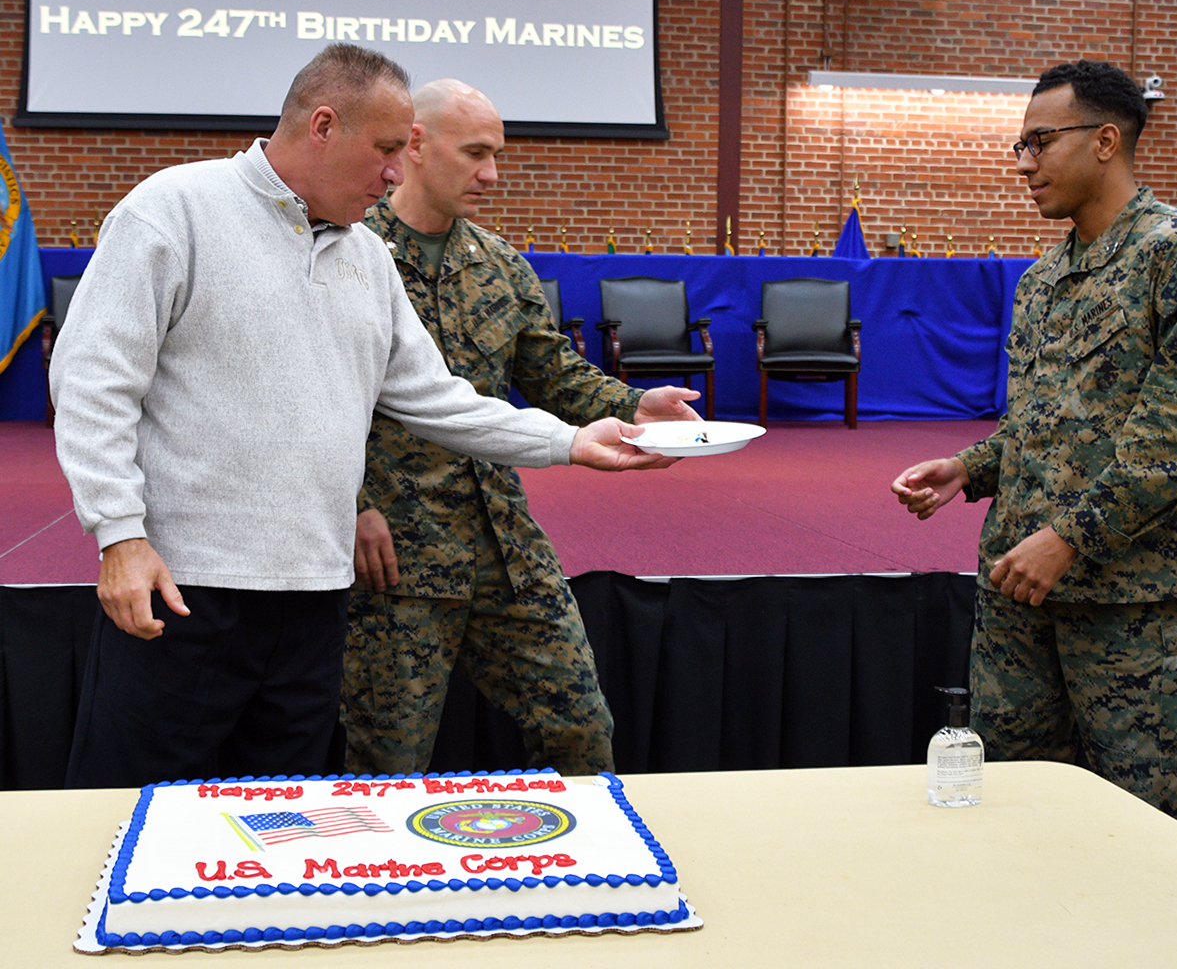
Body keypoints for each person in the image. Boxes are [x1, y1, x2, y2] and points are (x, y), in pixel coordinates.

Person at [49, 45, 674, 790]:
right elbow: (92, 383)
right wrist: (119, 534)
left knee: (279, 822)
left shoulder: (365, 258)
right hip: (187, 592)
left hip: (316, 599)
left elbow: (435, 397)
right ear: (321, 126)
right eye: (383, 148)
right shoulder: (173, 211)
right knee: (133, 812)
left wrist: (571, 440)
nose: (392, 170)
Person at [890, 60, 1177, 830]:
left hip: (1134, 612)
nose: (1023, 164)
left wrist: (1069, 540)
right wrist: (970, 467)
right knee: (1013, 816)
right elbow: (1045, 422)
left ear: (1107, 140)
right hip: (1021, 600)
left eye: (1040, 142)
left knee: (1140, 828)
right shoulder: (1043, 279)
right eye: (1019, 145)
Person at [343, 79, 701, 777]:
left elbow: (555, 376)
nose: (492, 175)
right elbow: (314, 403)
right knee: (389, 763)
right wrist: (350, 507)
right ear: (415, 144)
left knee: (581, 729)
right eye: (475, 153)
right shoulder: (351, 255)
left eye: (497, 155)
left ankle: (578, 878)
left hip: (501, 545)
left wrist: (635, 406)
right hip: (396, 558)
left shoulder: (499, 265)